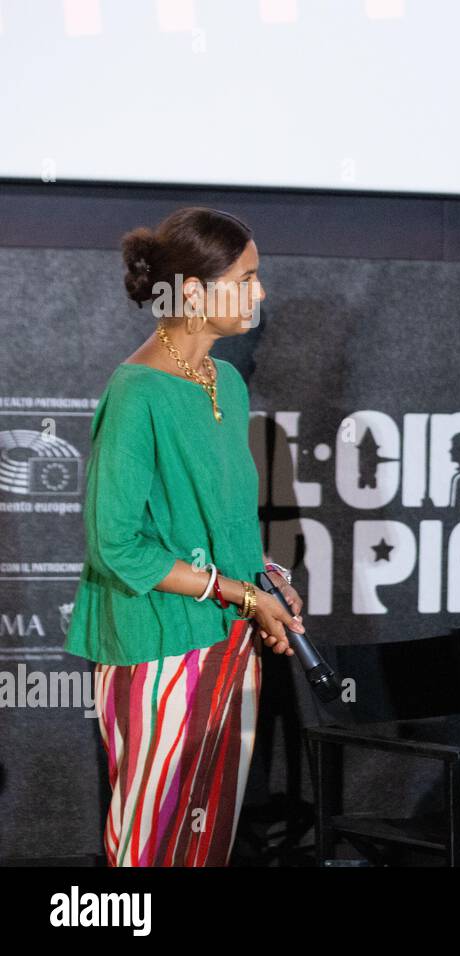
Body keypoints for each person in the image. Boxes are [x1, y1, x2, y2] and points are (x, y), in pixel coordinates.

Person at [64, 206, 304, 867]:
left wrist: (266, 583)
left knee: (207, 844)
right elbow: (116, 542)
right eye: (248, 278)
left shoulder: (223, 379)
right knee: (150, 845)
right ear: (194, 291)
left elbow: (226, 523)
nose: (260, 294)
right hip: (156, 647)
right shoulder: (136, 389)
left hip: (227, 639)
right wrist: (241, 595)